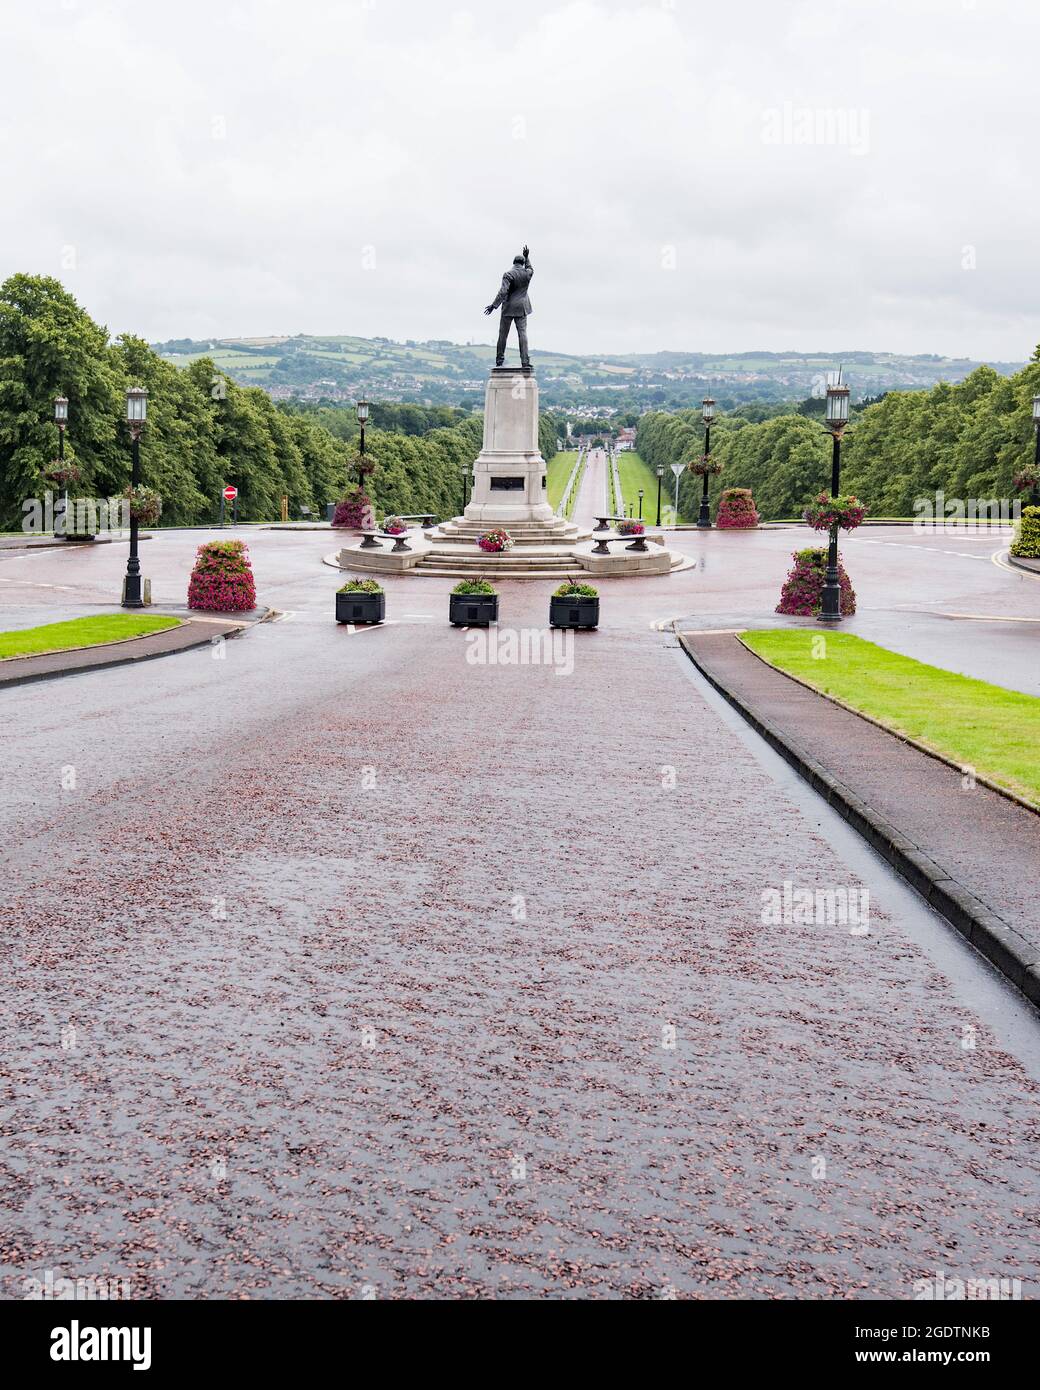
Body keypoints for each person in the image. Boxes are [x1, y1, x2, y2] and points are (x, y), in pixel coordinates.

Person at [484, 244, 533, 369]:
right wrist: (527, 257)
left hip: (508, 308)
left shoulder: (508, 274)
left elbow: (503, 292)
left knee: (503, 335)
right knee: (522, 334)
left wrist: (493, 306)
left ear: (513, 262)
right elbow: (530, 267)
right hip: (522, 307)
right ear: (522, 263)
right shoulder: (527, 274)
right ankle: (525, 361)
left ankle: (499, 360)